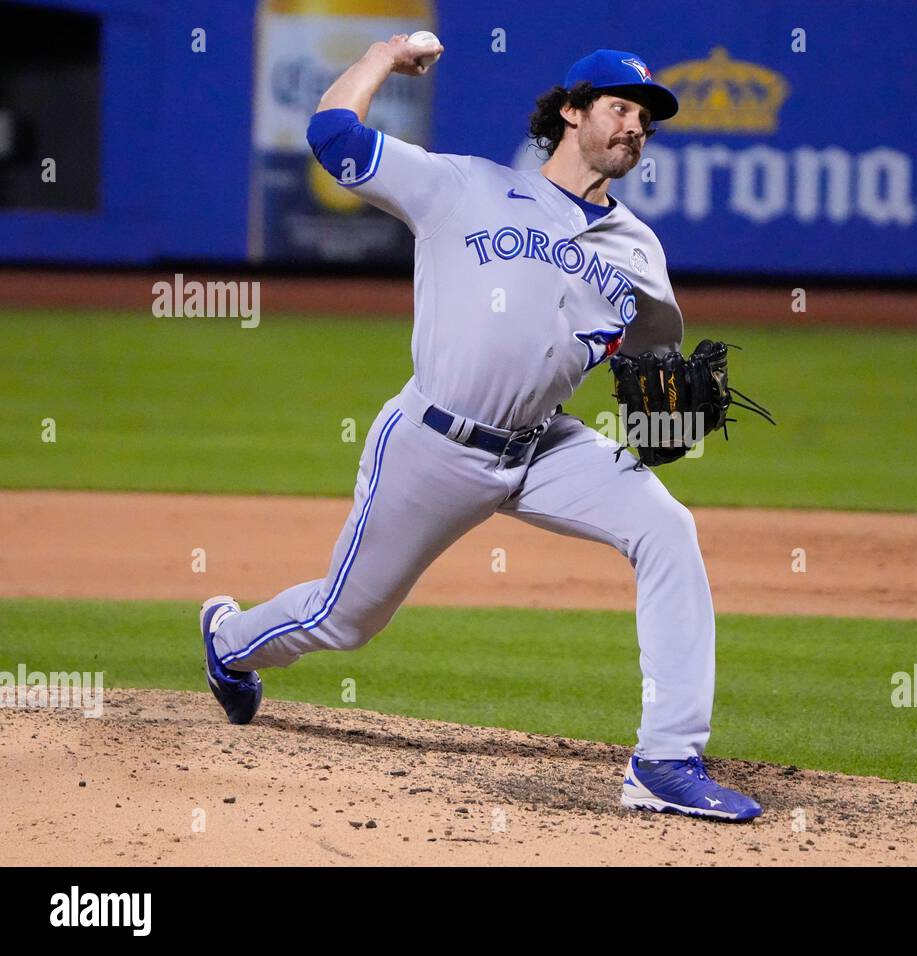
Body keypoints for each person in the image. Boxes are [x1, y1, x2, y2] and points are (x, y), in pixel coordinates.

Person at [199, 38, 761, 821]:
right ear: (571, 111)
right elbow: (332, 136)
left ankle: (667, 758)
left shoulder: (639, 249)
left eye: (646, 119)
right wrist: (380, 56)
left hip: (547, 447)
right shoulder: (462, 185)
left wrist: (669, 405)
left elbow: (658, 356)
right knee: (346, 619)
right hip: (433, 444)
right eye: (620, 108)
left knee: (667, 528)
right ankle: (230, 642)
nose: (636, 126)